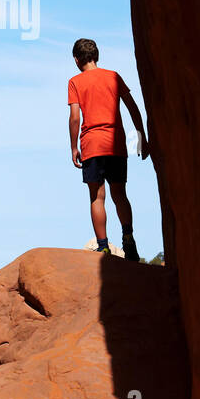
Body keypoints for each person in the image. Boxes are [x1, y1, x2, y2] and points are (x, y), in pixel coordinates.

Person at [67, 38, 149, 260]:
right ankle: (128, 238)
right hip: (115, 143)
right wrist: (141, 136)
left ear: (76, 60)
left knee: (97, 197)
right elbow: (132, 107)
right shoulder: (113, 76)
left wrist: (73, 147)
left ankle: (103, 246)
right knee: (120, 193)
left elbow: (75, 117)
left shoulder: (75, 82)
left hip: (92, 145)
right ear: (97, 56)